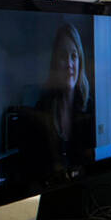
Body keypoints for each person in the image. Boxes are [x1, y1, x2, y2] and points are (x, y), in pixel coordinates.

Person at [35, 22, 96, 171]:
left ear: (79, 62)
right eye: (63, 56)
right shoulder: (42, 108)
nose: (69, 64)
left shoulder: (91, 107)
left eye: (74, 56)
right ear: (54, 61)